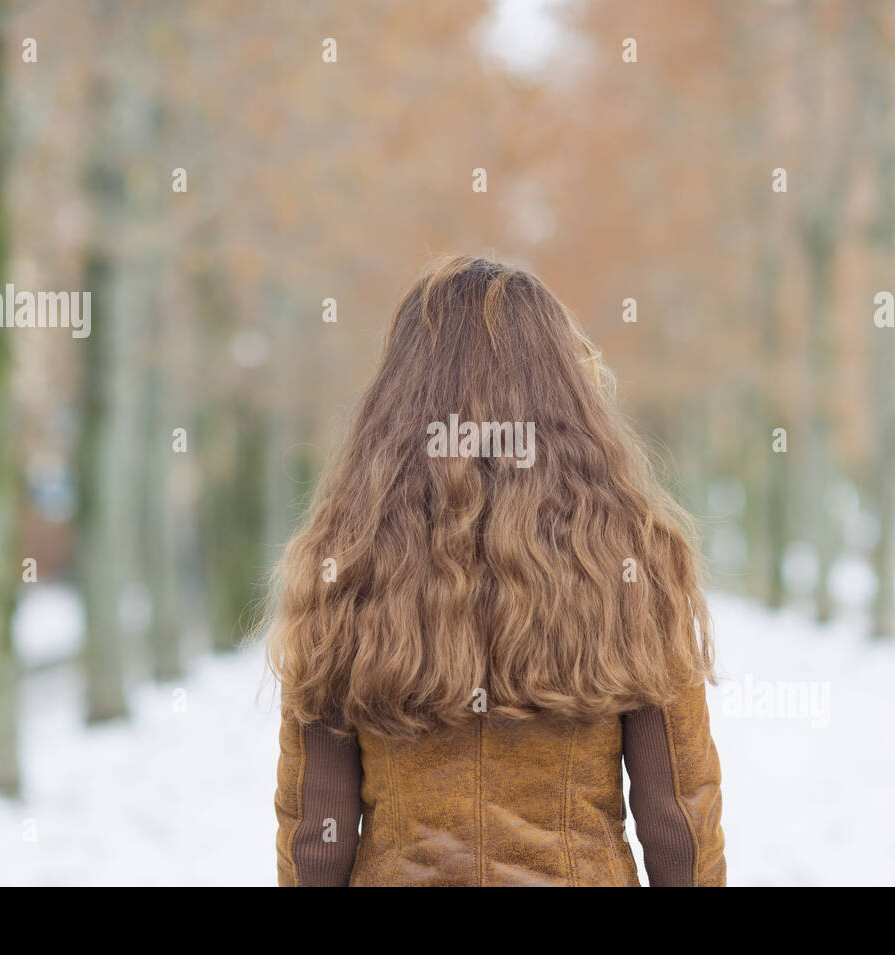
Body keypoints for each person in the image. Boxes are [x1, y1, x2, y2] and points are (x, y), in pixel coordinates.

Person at [265, 255, 725, 886]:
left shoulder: (346, 565)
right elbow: (678, 816)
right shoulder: (633, 557)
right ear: (566, 388)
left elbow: (317, 833)